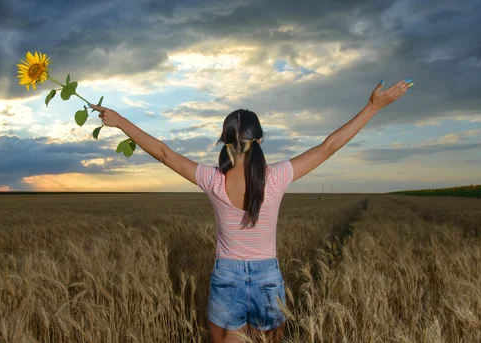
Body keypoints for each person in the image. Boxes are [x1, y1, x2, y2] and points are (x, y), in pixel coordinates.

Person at [88, 78, 413, 342]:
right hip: (267, 277)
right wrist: (372, 107)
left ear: (226, 142)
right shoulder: (277, 177)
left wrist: (119, 122)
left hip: (225, 276)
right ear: (258, 141)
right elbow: (329, 146)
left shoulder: (212, 180)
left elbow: (163, 153)